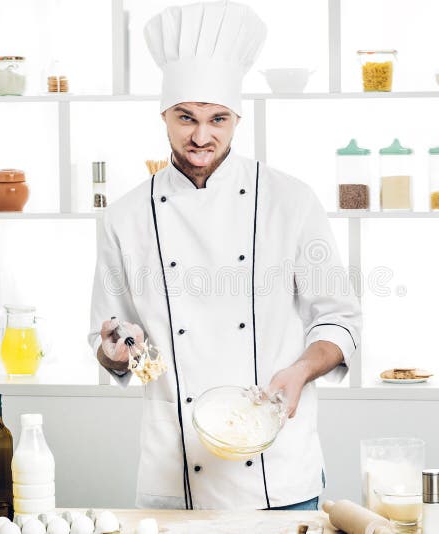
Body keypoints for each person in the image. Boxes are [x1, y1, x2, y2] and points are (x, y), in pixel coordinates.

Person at [88, 0, 361, 511]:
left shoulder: (291, 201)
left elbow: (341, 321)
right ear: (164, 116)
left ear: (237, 118)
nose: (201, 136)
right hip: (175, 472)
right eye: (185, 118)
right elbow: (111, 338)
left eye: (217, 119)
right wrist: (116, 351)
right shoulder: (125, 217)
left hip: (278, 473)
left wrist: (299, 370)